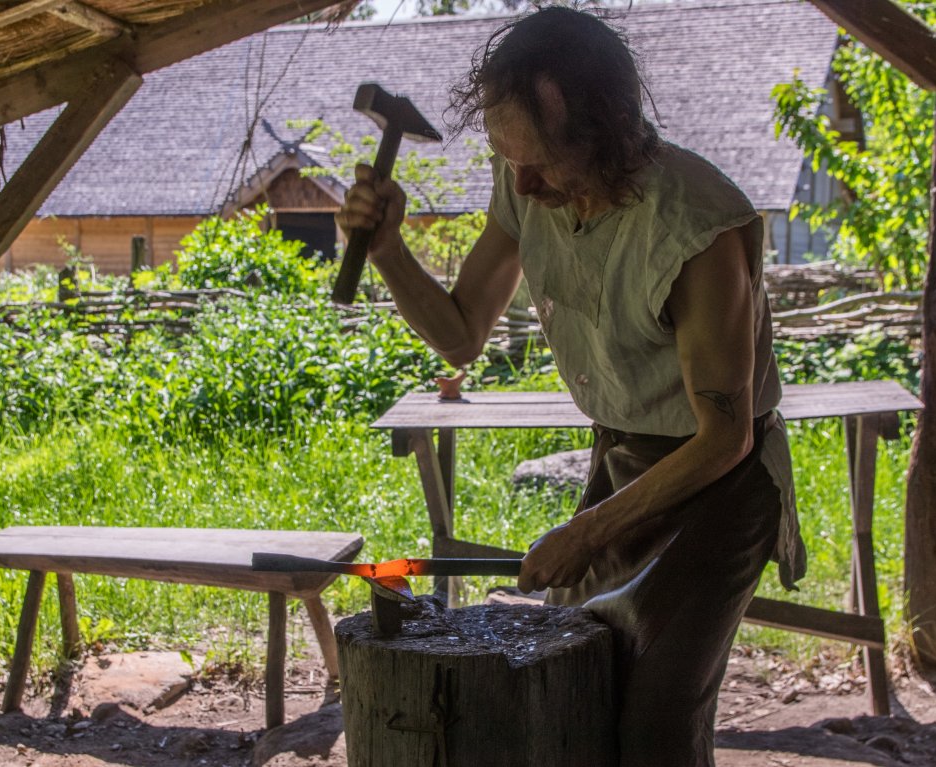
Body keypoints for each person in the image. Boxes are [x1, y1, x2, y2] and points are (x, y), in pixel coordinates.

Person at [336, 7, 806, 765]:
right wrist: (388, 250)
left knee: (655, 723)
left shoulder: (696, 227)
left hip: (719, 486)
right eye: (504, 156)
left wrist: (585, 532)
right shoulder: (527, 183)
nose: (520, 182)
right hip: (621, 461)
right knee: (579, 680)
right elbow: (459, 334)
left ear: (610, 127)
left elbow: (727, 437)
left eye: (543, 160)